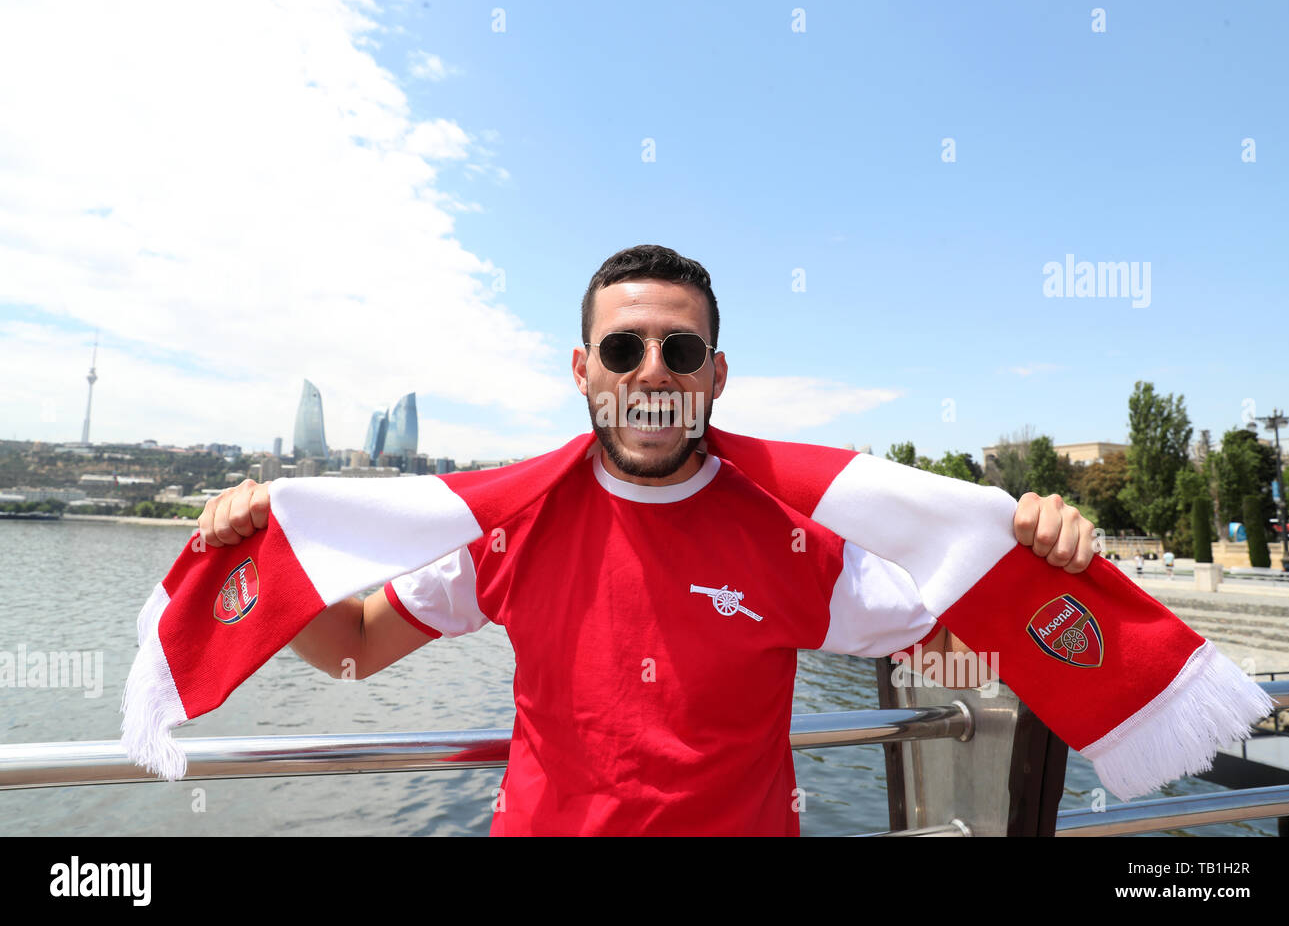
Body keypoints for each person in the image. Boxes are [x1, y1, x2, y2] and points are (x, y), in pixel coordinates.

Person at [198, 245, 1095, 835]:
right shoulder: (509, 525)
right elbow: (353, 650)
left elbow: (961, 662)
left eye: (681, 349)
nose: (652, 371)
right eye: (623, 350)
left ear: (717, 376)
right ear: (585, 372)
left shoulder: (795, 539)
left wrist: (1040, 563)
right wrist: (257, 557)